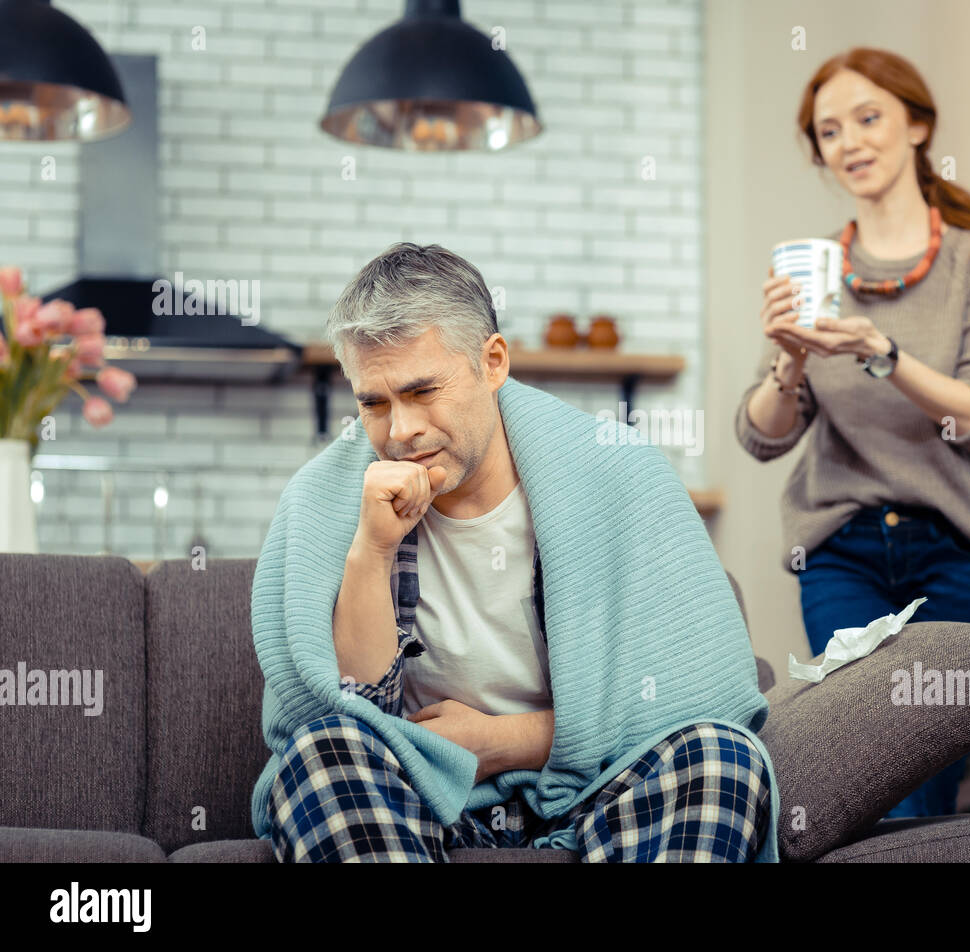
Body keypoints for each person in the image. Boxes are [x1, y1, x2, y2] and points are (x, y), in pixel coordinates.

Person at [259, 243, 776, 862]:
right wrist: (371, 551)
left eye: (423, 390)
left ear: (493, 361)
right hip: (429, 801)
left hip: (604, 794)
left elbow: (699, 701)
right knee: (318, 755)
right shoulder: (326, 500)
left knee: (723, 758)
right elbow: (350, 711)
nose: (399, 431)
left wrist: (506, 741)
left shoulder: (616, 472)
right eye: (373, 402)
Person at [734, 48, 970, 819]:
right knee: (860, 791)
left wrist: (881, 355)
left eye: (869, 118)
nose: (851, 142)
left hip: (963, 554)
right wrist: (789, 361)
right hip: (845, 551)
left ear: (918, 125)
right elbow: (762, 435)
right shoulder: (818, 270)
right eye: (830, 131)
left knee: (915, 796)